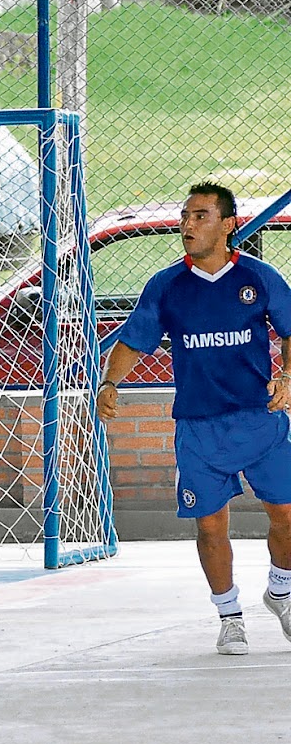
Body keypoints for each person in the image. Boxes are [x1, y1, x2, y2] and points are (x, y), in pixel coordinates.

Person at [98, 182, 291, 656]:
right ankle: (229, 616)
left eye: (200, 216)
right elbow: (134, 340)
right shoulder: (166, 285)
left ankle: (281, 593)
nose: (188, 224)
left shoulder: (261, 277)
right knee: (209, 526)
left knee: (287, 516)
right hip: (198, 427)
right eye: (186, 216)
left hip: (260, 418)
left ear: (228, 225)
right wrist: (109, 382)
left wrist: (288, 374)